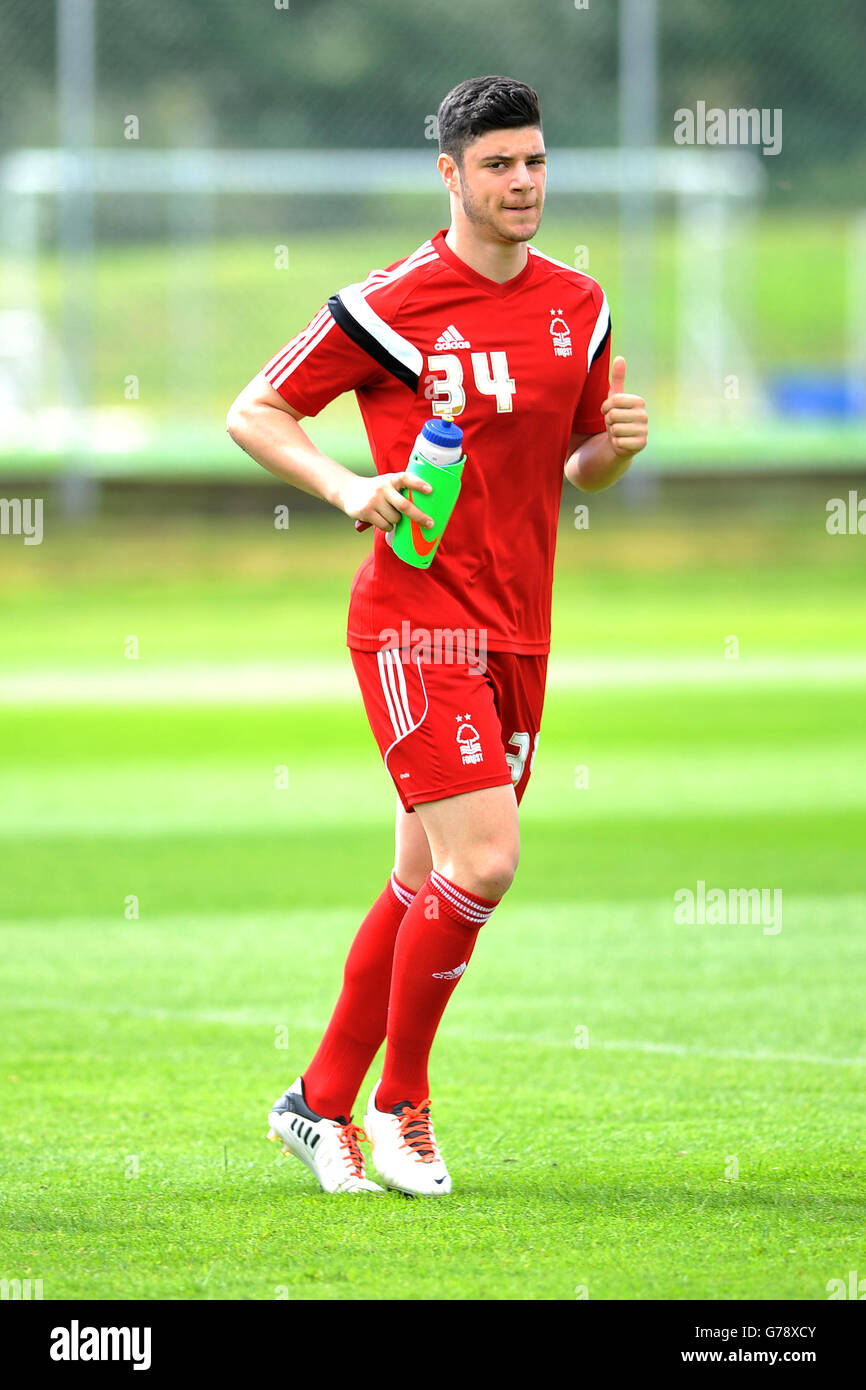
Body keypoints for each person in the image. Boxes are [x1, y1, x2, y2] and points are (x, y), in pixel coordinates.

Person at [226, 74, 649, 1196]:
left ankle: (313, 1103)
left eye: (535, 162)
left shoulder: (580, 304)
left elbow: (571, 468)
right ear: (449, 174)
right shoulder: (389, 302)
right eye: (498, 164)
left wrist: (614, 449)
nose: (522, 183)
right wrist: (342, 484)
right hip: (415, 627)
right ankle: (400, 1106)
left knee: (422, 877)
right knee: (485, 860)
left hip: (519, 630)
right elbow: (254, 411)